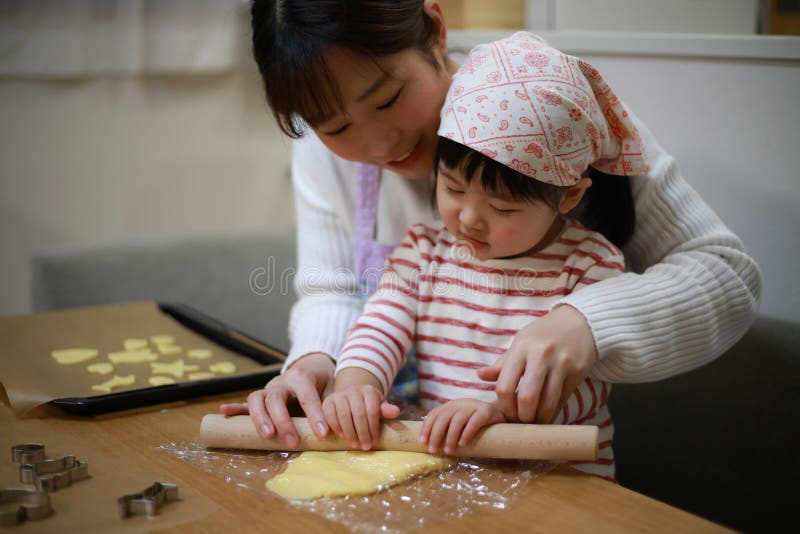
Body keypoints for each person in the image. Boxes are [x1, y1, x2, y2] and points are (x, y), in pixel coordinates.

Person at [220, 0, 761, 454]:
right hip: (408, 451)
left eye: (387, 98)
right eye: (335, 127)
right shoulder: (331, 163)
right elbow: (334, 288)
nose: (380, 145)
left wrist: (587, 322)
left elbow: (726, 275)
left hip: (553, 459)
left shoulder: (550, 113)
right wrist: (320, 361)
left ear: (434, 30)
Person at [323, 31, 649, 479]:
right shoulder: (424, 250)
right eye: (453, 188)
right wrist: (356, 382)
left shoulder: (591, 265)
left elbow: (588, 388)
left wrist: (504, 411)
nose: (470, 219)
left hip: (562, 482)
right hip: (452, 472)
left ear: (569, 196)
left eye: (501, 207)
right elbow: (382, 323)